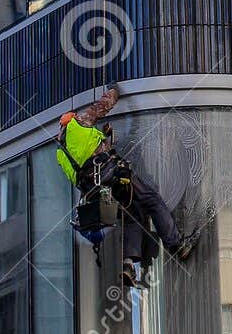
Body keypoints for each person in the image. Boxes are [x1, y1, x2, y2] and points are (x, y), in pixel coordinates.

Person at [55, 87, 200, 288]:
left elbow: (80, 172)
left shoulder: (60, 153)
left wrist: (103, 140)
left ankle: (128, 265)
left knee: (133, 217)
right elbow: (103, 106)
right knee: (151, 200)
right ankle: (176, 245)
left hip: (98, 193)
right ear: (70, 120)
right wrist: (115, 90)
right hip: (113, 175)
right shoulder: (78, 122)